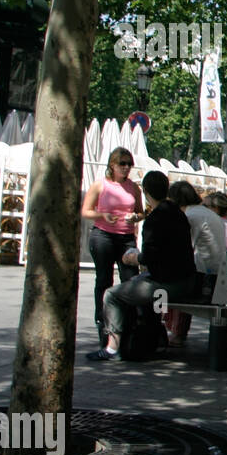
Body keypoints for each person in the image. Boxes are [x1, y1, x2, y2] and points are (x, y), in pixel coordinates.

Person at [87, 171, 197, 362]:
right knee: (138, 284)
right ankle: (154, 337)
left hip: (168, 284)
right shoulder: (178, 213)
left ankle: (112, 347)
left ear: (145, 191)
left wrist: (133, 258)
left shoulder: (154, 220)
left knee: (112, 295)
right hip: (188, 280)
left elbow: (150, 257)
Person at [81, 146, 144, 347]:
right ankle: (103, 324)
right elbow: (85, 211)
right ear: (112, 165)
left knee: (131, 279)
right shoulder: (100, 185)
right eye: (122, 164)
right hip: (103, 235)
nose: (126, 168)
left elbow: (141, 212)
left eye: (129, 164)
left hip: (126, 237)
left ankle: (130, 325)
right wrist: (102, 215)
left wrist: (136, 217)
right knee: (103, 280)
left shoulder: (134, 188)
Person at [161, 180, 227, 347]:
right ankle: (175, 330)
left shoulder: (190, 216)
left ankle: (176, 331)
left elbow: (184, 248)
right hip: (218, 273)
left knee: (172, 281)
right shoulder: (207, 213)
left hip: (202, 275)